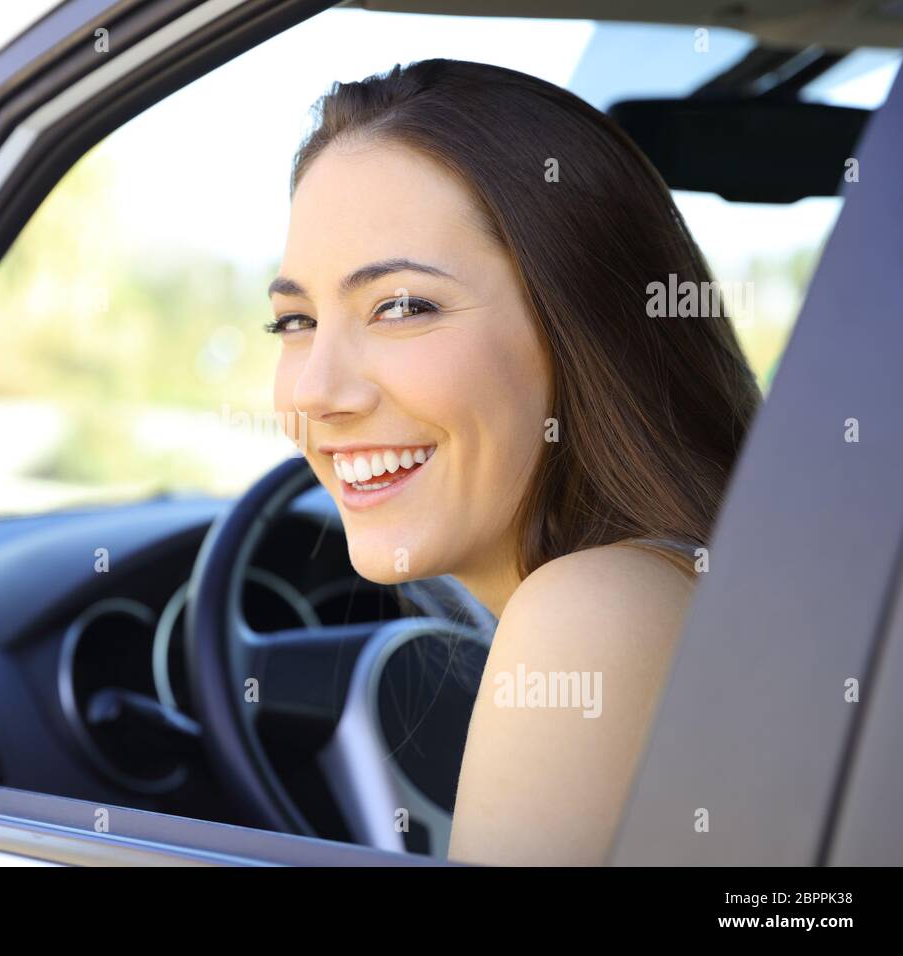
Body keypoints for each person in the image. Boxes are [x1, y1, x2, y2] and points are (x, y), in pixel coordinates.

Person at [265, 59, 759, 864]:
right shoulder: (695, 578)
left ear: (580, 325)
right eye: (294, 321)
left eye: (401, 306)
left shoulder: (594, 612)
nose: (318, 391)